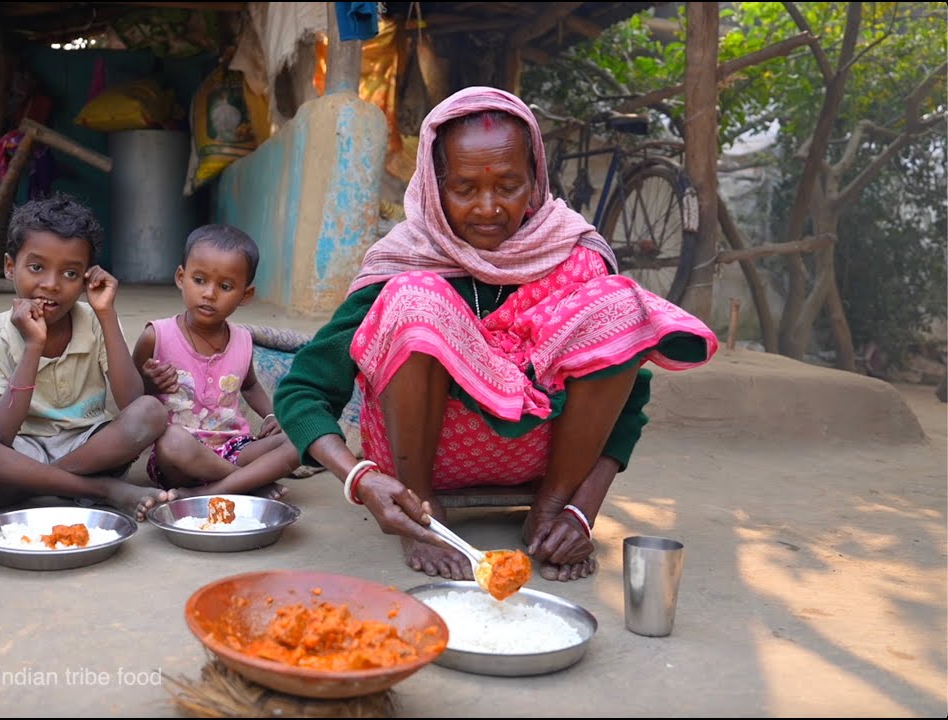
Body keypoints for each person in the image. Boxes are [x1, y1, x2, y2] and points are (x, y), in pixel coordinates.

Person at [273, 87, 717, 582]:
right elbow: (303, 391)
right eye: (464, 188)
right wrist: (361, 478)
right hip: (416, 469)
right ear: (433, 187)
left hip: (546, 466)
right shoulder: (403, 261)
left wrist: (580, 510)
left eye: (509, 185)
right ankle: (425, 515)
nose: (488, 207)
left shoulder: (574, 255)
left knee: (619, 302)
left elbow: (626, 395)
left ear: (536, 181)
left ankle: (548, 508)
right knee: (416, 298)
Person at [0, 195, 171, 521]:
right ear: (10, 266)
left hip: (90, 449)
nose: (50, 285)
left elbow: (132, 402)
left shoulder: (95, 320)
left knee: (151, 411)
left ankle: (23, 487)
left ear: (87, 278)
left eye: (70, 274)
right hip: (21, 449)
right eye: (36, 267)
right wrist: (33, 346)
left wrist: (106, 313)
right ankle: (99, 491)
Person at [132, 224, 300, 499]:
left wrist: (271, 415)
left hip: (235, 447)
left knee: (302, 440)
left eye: (225, 286)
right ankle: (250, 483)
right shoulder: (156, 336)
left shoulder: (243, 340)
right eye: (199, 280)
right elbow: (131, 395)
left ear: (245, 295)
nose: (209, 293)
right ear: (180, 277)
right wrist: (149, 385)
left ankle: (213, 490)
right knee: (172, 441)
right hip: (179, 457)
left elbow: (249, 386)